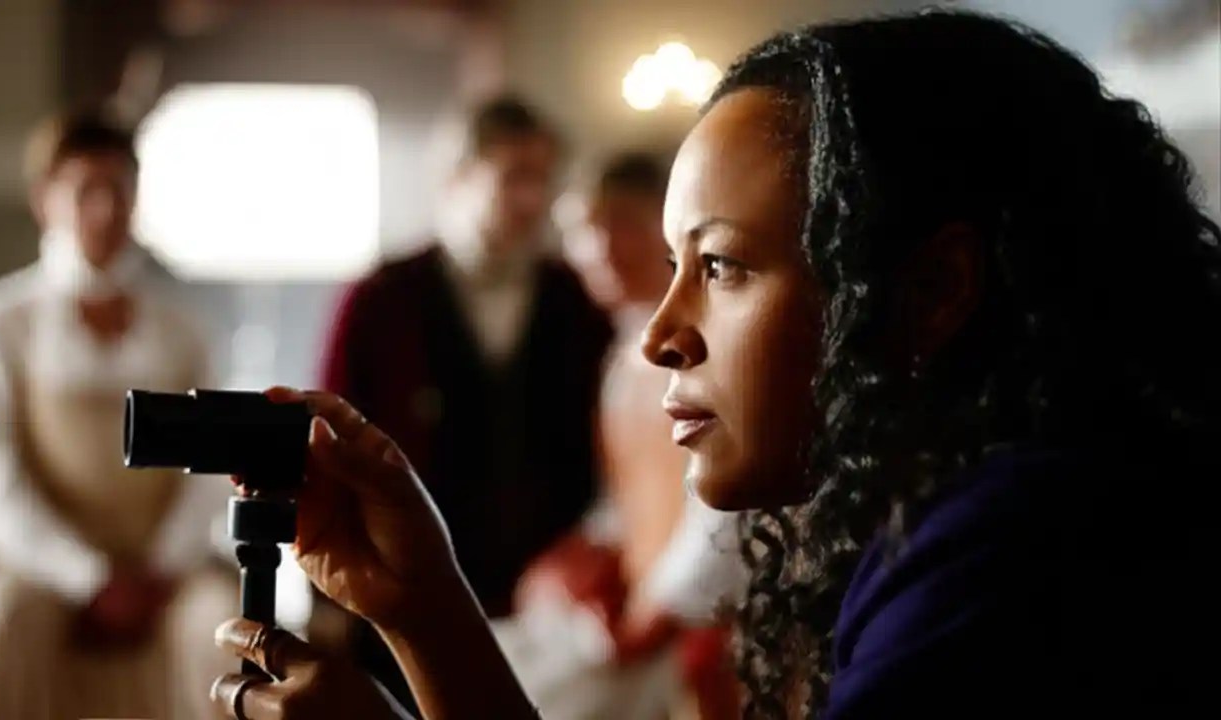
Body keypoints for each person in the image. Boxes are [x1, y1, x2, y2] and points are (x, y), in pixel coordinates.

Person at [210, 9, 1217, 720]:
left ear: (933, 286)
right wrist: (427, 608)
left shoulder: (1009, 560)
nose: (658, 335)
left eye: (722, 265)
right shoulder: (936, 519)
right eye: (668, 267)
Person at [316, 95, 612, 706]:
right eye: (514, 177)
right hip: (405, 582)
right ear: (457, 178)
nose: (533, 200)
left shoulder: (576, 298)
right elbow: (328, 445)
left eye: (544, 180)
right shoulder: (380, 297)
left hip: (543, 597)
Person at [0, 108, 236, 720]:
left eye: (119, 190)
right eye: (85, 191)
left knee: (223, 632)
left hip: (165, 571)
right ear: (43, 201)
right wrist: (89, 578)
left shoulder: (185, 331)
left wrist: (157, 568)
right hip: (41, 568)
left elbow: (210, 472)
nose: (104, 210)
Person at [503, 151, 743, 719]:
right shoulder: (618, 359)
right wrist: (576, 557)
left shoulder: (709, 348)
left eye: (622, 225)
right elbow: (629, 494)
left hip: (704, 624)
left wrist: (657, 613)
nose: (603, 249)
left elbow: (728, 505)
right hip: (641, 607)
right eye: (586, 231)